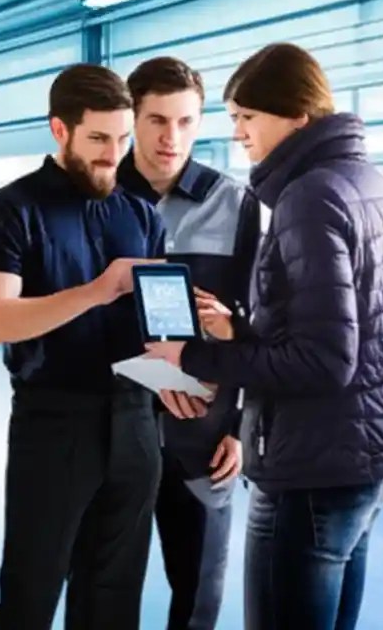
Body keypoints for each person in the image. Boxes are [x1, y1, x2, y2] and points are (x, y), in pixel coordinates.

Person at [144, 43, 383, 630]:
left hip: (311, 465)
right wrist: (241, 328)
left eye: (247, 117)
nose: (239, 133)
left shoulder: (307, 198)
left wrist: (194, 352)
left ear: (295, 114)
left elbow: (324, 360)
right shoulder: (368, 184)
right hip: (364, 457)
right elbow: (342, 326)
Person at [0, 63, 165, 630]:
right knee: (31, 594)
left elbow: (157, 332)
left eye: (123, 139)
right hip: (53, 423)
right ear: (60, 130)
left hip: (135, 424)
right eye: (99, 139)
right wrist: (97, 291)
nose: (114, 154)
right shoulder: (11, 208)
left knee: (115, 596)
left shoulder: (141, 215)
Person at [120, 57, 261, 630]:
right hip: (112, 428)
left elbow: (258, 325)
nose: (169, 138)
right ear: (132, 117)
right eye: (156, 120)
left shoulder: (237, 205)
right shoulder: (96, 200)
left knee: (199, 596)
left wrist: (243, 429)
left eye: (185, 121)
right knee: (103, 585)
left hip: (205, 434)